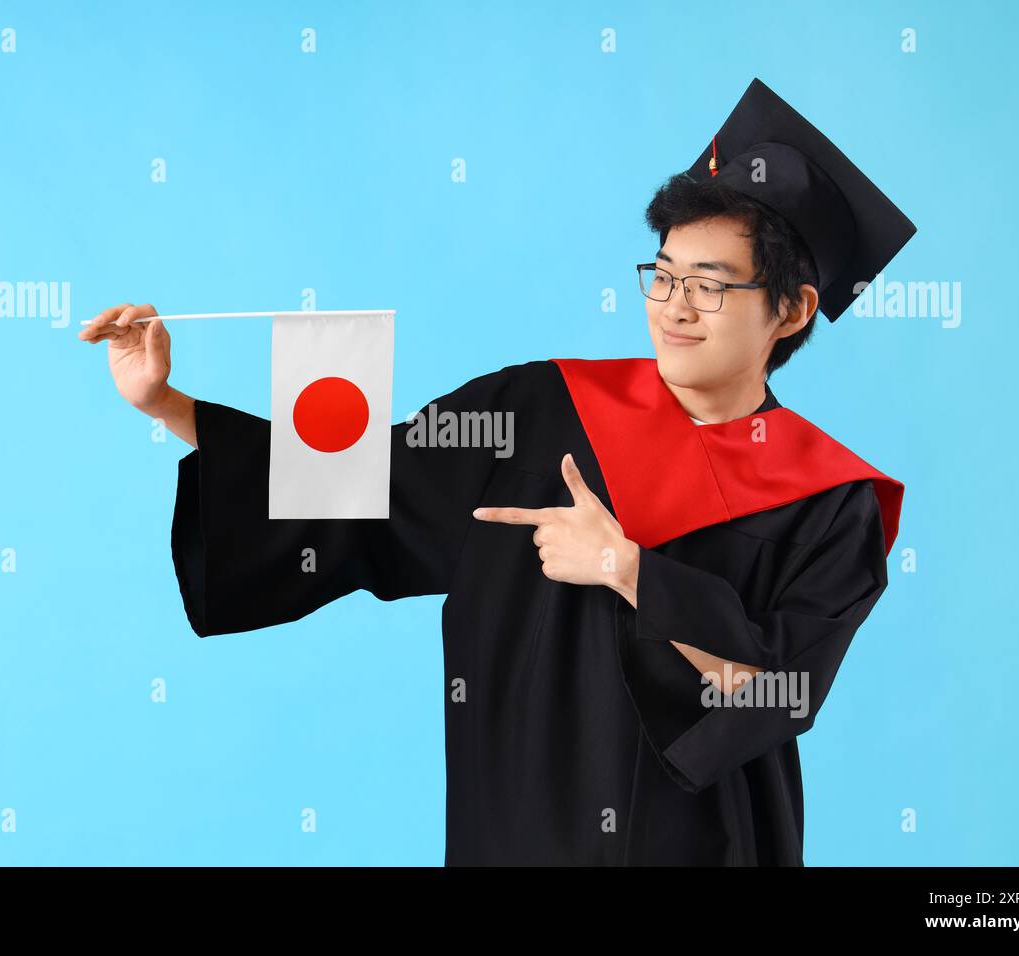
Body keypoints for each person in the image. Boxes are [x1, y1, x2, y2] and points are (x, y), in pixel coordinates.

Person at [79, 77, 915, 865]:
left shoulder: (832, 498)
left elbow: (780, 693)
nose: (674, 307)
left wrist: (628, 570)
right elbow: (360, 485)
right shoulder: (538, 405)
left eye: (709, 285)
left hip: (711, 843)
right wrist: (169, 404)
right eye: (661, 276)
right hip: (520, 832)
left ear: (794, 309)